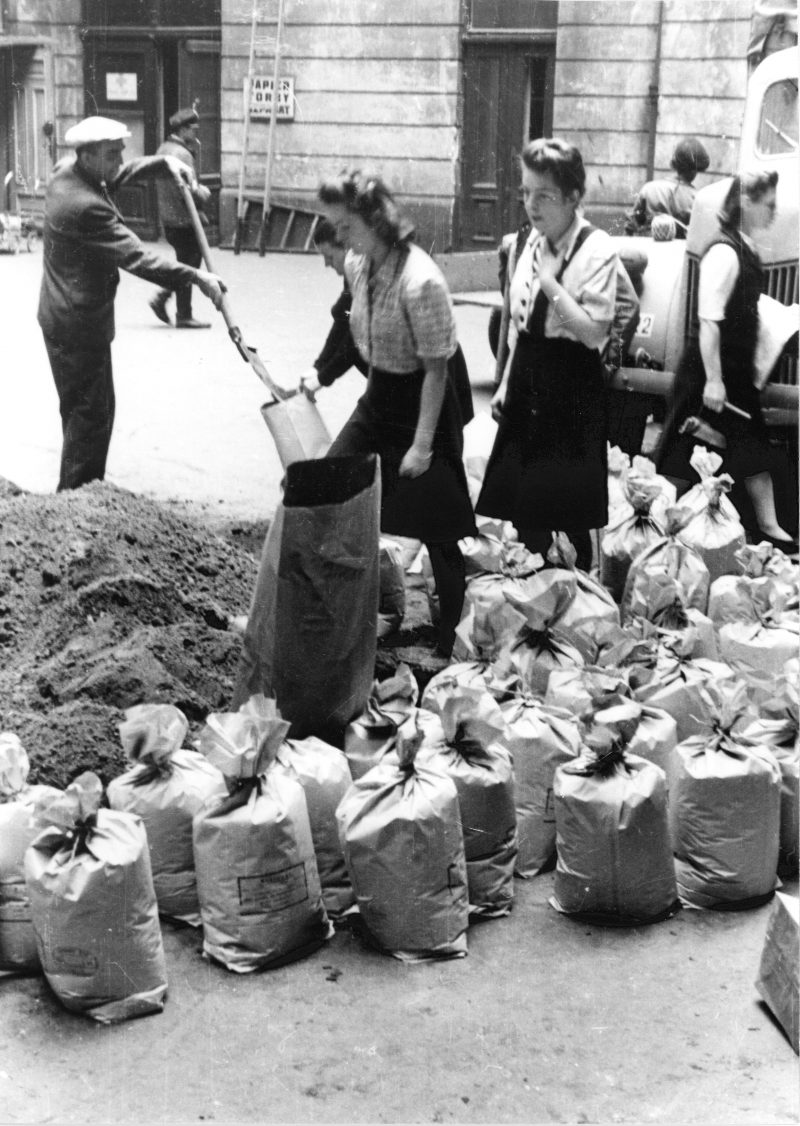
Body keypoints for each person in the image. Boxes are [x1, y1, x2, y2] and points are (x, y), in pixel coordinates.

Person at [317, 170, 475, 656]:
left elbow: (436, 372)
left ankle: (450, 635)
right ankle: (334, 616)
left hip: (424, 400)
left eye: (345, 226)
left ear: (375, 221)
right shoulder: (358, 265)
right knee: (327, 485)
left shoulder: (422, 281)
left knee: (438, 527)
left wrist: (422, 445)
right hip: (379, 396)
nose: (337, 237)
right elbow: (348, 328)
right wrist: (318, 373)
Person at [37, 115, 225, 492]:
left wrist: (162, 163)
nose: (119, 162)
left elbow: (117, 176)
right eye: (112, 155)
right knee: (91, 416)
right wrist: (197, 276)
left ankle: (75, 498)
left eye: (121, 152)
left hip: (62, 318)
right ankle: (77, 501)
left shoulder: (68, 173)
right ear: (88, 157)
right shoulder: (86, 206)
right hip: (78, 324)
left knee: (83, 413)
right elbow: (139, 257)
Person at [476, 138, 619, 572]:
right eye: (525, 193)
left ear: (574, 197)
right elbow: (519, 322)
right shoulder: (528, 242)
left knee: (570, 510)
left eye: (545, 195)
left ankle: (577, 595)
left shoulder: (598, 249)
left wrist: (552, 286)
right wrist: (504, 384)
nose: (531, 205)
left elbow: (595, 332)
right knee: (525, 507)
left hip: (571, 384)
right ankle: (536, 594)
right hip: (529, 377)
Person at [656, 169, 797, 552]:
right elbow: (709, 321)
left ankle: (771, 530)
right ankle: (656, 525)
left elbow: (739, 310)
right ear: (746, 202)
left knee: (750, 448)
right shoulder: (724, 251)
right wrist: (714, 380)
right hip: (710, 371)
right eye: (767, 204)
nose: (772, 212)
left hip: (733, 372)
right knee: (681, 452)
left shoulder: (743, 246)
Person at [149, 107, 212, 328]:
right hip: (185, 220)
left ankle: (167, 301)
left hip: (169, 219)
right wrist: (202, 194)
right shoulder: (183, 154)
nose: (195, 134)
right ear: (183, 129)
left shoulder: (163, 148)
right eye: (193, 129)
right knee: (190, 265)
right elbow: (187, 191)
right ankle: (179, 311)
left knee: (186, 264)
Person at [299, 218, 367, 401]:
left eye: (329, 256)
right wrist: (317, 366)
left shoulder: (361, 272)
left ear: (346, 248)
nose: (326, 264)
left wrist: (322, 378)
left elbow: (355, 339)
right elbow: (343, 324)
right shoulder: (351, 270)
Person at [625, 136, 710, 240]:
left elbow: (631, 224)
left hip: (649, 248)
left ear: (675, 164)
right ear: (694, 171)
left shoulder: (649, 188)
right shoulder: (696, 198)